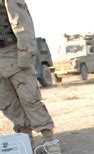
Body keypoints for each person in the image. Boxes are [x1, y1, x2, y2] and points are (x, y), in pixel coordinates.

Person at [0, 0, 55, 144]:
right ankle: (26, 142)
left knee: (30, 99)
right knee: (8, 104)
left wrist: (25, 55)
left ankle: (50, 140)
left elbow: (21, 24)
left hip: (12, 54)